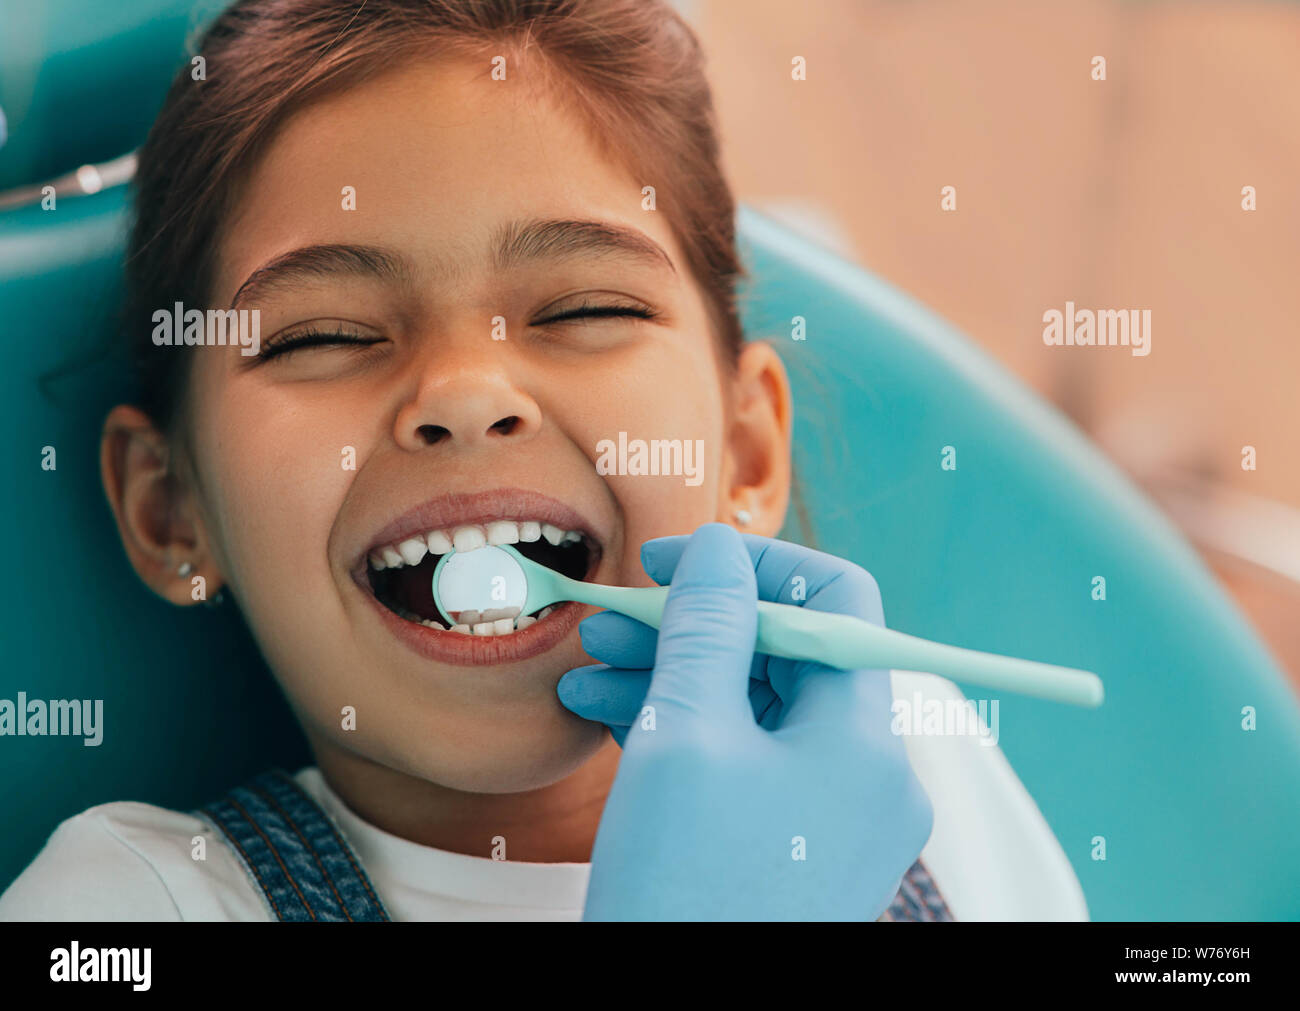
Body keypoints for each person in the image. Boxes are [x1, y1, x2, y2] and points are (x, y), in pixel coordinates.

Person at [0, 0, 1085, 921]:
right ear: (168, 510)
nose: (465, 394)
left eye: (585, 307)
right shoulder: (135, 906)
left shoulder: (906, 763)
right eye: (322, 335)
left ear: (746, 447)